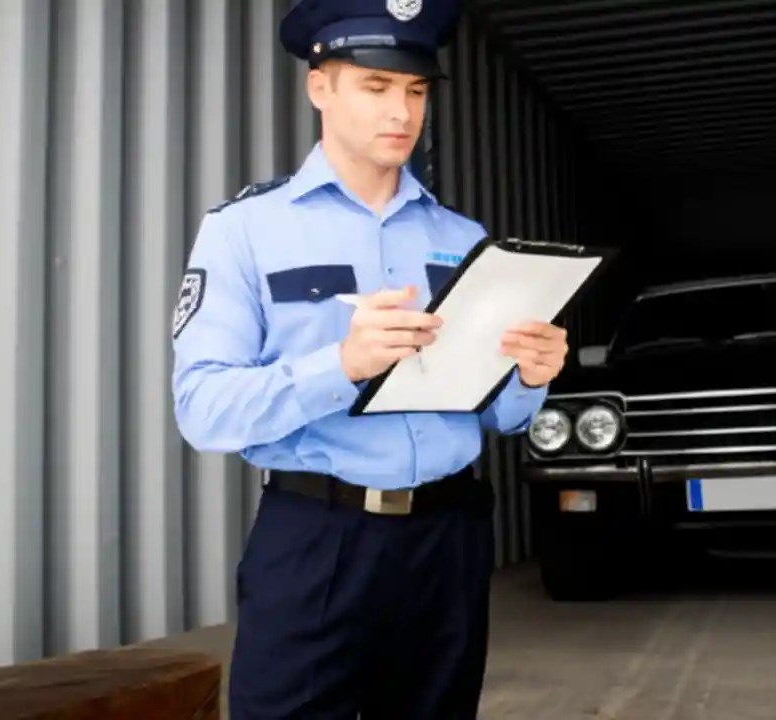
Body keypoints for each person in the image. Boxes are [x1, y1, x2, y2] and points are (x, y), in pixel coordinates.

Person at [170, 0, 567, 717]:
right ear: (320, 87)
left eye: (416, 91)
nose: (402, 112)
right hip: (319, 539)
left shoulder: (462, 235)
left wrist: (530, 377)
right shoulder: (245, 232)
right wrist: (340, 366)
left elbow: (501, 412)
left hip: (447, 542)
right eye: (376, 87)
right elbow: (203, 410)